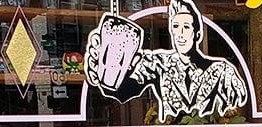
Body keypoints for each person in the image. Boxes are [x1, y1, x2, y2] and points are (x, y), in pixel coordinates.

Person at [85, 0, 248, 120]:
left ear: (197, 34)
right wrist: (103, 74)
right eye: (176, 27)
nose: (180, 34)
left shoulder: (221, 70)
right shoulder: (158, 63)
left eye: (186, 27)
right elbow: (122, 92)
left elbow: (236, 114)